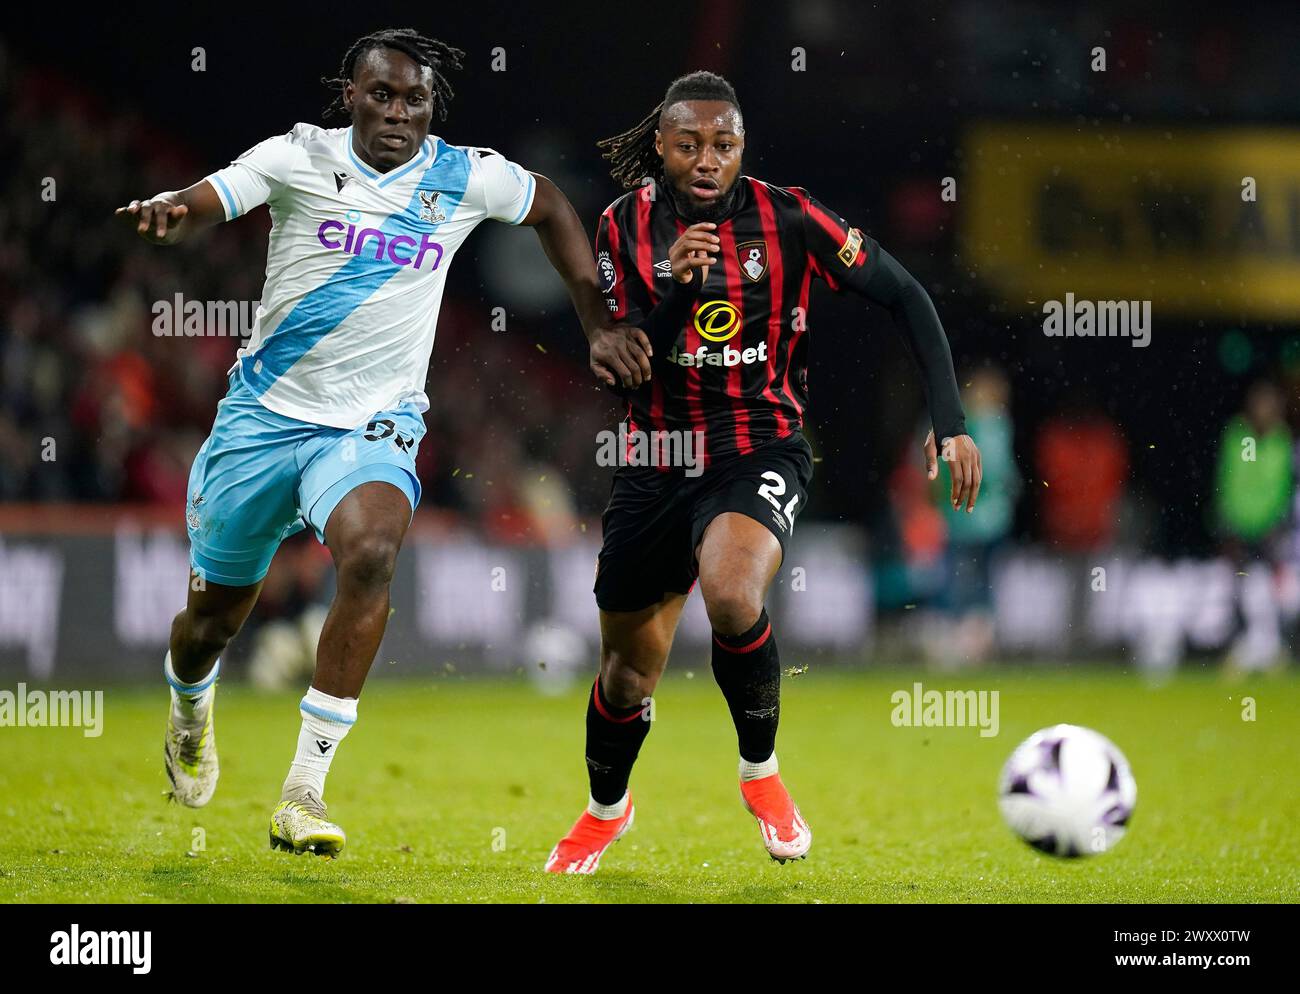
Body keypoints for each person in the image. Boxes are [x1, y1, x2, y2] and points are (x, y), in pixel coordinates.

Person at [115, 27, 651, 858]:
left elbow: (547, 201)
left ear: (432, 108)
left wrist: (596, 322)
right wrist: (171, 212)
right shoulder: (299, 156)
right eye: (381, 95)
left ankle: (303, 790)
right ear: (350, 95)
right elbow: (213, 196)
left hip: (375, 421)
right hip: (264, 418)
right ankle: (190, 703)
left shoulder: (464, 176)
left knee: (369, 552)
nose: (398, 113)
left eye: (414, 100)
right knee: (210, 623)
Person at [545, 71, 981, 873]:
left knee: (733, 592)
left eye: (725, 144)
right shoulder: (622, 227)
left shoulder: (790, 215)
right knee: (627, 675)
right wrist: (678, 292)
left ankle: (761, 774)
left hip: (760, 447)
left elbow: (907, 295)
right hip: (654, 457)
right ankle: (608, 809)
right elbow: (626, 367)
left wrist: (950, 422)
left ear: (742, 147)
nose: (708, 160)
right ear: (662, 148)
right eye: (689, 145)